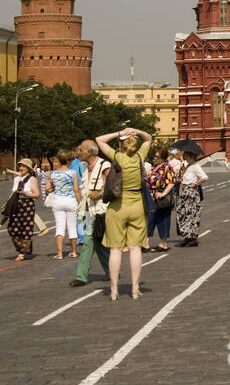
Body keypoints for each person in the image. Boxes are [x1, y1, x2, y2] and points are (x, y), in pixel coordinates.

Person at [97, 127, 153, 300]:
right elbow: (148, 138)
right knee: (135, 248)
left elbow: (99, 139)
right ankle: (135, 288)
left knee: (115, 249)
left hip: (117, 207)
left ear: (121, 144)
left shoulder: (117, 157)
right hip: (136, 205)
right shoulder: (139, 157)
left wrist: (118, 134)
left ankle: (114, 290)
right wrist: (135, 130)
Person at [70, 140, 112, 286]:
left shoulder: (104, 165)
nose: (78, 152)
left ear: (90, 152)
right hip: (87, 211)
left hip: (100, 210)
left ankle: (81, 276)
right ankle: (111, 271)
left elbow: (112, 186)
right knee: (97, 242)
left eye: (81, 150)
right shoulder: (85, 167)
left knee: (88, 241)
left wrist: (100, 193)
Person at [45, 152, 82, 259]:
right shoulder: (73, 173)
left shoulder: (54, 173)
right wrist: (80, 202)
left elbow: (47, 188)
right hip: (71, 201)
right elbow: (76, 189)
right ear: (69, 161)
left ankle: (59, 253)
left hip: (58, 201)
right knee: (72, 227)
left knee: (60, 228)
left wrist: (53, 188)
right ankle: (74, 252)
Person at [7, 158, 41, 261]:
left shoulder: (32, 179)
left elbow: (37, 195)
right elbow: (13, 192)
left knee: (26, 229)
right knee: (12, 228)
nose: (21, 168)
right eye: (20, 166)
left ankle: (22, 253)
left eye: (23, 166)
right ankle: (25, 248)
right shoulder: (17, 179)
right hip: (16, 205)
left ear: (28, 168)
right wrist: (8, 204)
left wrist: (27, 194)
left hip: (27, 204)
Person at [175, 142, 208, 246]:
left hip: (191, 193)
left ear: (190, 155)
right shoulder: (188, 166)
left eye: (185, 154)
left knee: (191, 215)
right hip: (185, 192)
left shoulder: (195, 166)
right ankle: (187, 236)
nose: (184, 156)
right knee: (183, 214)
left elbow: (204, 177)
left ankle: (192, 238)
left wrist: (196, 184)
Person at [145, 147, 175, 252]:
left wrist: (163, 193)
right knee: (150, 220)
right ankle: (146, 242)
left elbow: (171, 183)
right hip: (151, 197)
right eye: (154, 155)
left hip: (161, 198)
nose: (154, 158)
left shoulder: (167, 167)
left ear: (162, 157)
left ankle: (163, 243)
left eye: (156, 156)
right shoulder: (153, 167)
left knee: (163, 220)